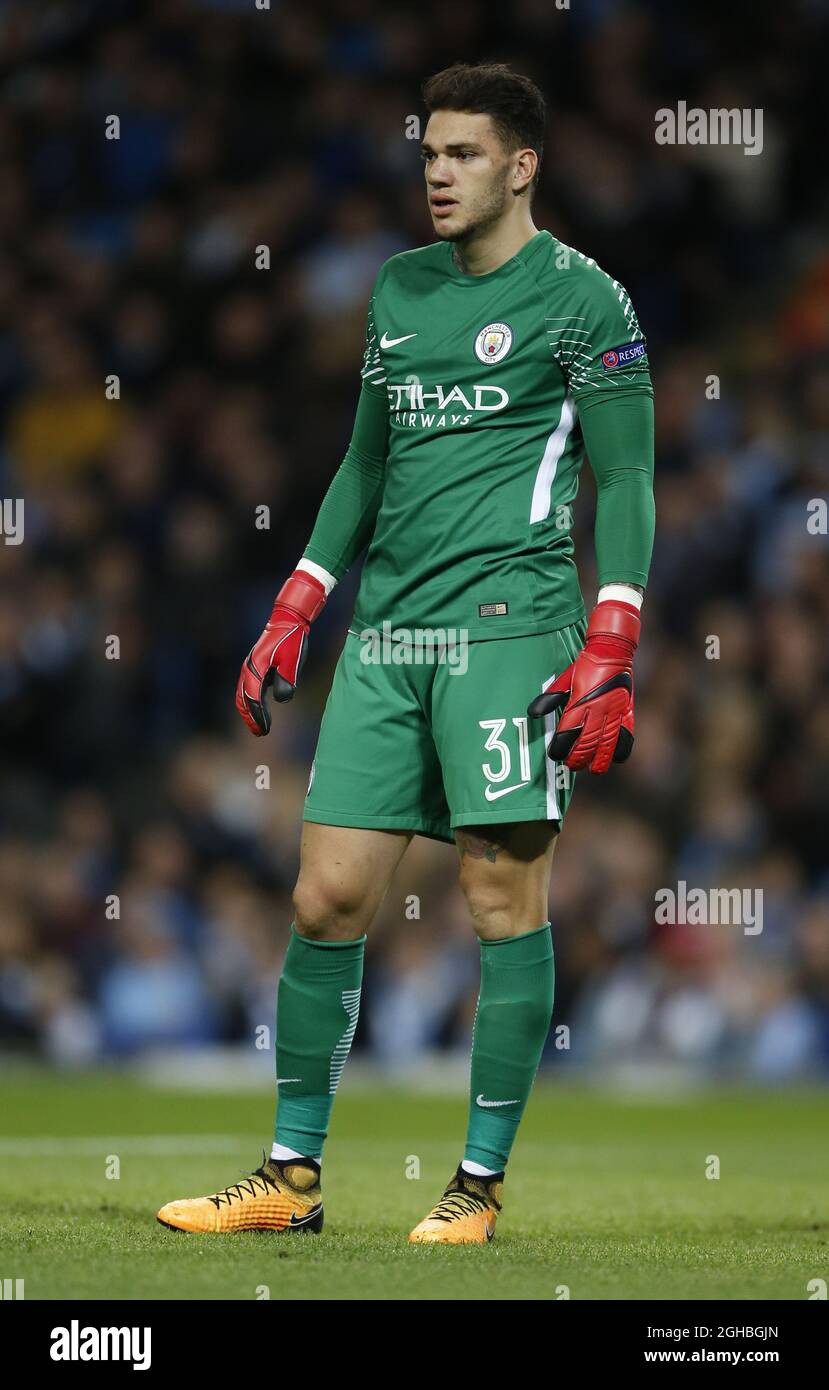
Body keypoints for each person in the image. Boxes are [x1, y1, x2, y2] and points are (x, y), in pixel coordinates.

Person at [157, 61, 655, 1245]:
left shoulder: (588, 303)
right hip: (389, 632)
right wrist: (297, 602)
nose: (437, 173)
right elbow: (365, 463)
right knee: (325, 897)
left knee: (497, 899)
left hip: (512, 627)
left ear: (521, 166)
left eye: (464, 154)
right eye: (429, 153)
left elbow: (626, 473)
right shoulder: (395, 290)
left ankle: (474, 1187)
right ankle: (289, 1178)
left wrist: (616, 632)